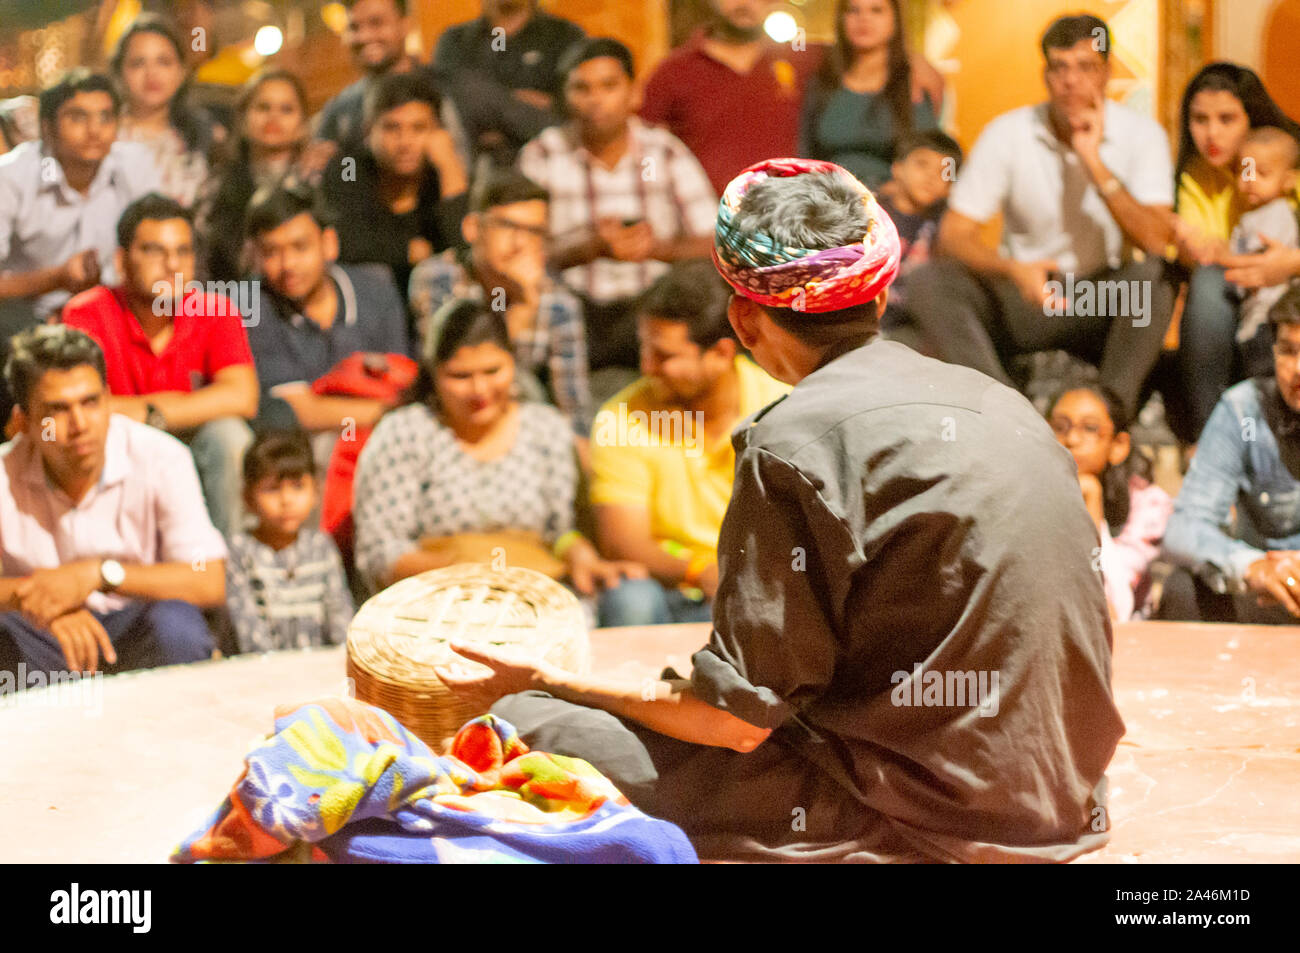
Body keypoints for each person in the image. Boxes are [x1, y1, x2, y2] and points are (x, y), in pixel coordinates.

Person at [438, 158, 1124, 863]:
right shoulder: (1002, 402)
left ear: (742, 317)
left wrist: (552, 679)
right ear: (880, 297)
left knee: (527, 721)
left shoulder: (791, 441)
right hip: (1065, 796)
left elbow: (732, 722)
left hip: (928, 815)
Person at [897, 14, 1177, 421]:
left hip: (1095, 297)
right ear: (1046, 75)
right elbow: (953, 235)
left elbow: (1156, 239)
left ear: (1107, 73)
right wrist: (1012, 267)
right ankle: (1004, 412)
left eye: (1085, 67)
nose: (1071, 80)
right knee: (930, 280)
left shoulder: (1141, 135)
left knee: (1158, 277)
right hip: (1027, 297)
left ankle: (1107, 415)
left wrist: (1093, 161)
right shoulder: (1008, 133)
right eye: (1060, 67)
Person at [352, 299, 640, 602]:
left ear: (514, 364)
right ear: (434, 374)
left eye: (492, 371)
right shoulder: (404, 434)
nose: (479, 391)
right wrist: (475, 576)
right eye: (460, 376)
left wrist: (580, 556)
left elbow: (560, 533)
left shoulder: (546, 429)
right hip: (439, 601)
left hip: (536, 597)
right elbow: (380, 550)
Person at [0, 326, 225, 692]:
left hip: (132, 626)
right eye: (57, 410)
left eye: (91, 402)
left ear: (109, 399)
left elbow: (209, 578)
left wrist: (99, 574)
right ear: (23, 421)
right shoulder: (3, 473)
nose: (80, 425)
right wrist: (43, 601)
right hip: (44, 637)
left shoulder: (161, 457)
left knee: (177, 625)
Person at [590, 259, 787, 626]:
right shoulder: (620, 417)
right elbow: (622, 541)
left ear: (721, 354)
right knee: (629, 598)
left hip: (757, 580)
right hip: (665, 584)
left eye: (664, 356)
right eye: (644, 350)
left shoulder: (781, 407)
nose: (647, 367)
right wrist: (700, 570)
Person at [519, 38, 717, 381]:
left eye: (609, 86)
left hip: (653, 303)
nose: (596, 100)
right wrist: (590, 247)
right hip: (571, 306)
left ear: (633, 93)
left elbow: (715, 241)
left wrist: (656, 249)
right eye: (582, 88)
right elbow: (519, 251)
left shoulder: (663, 153)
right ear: (565, 97)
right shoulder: (543, 156)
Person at [60, 194, 258, 535]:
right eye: (154, 251)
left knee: (229, 436)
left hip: (195, 445)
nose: (172, 264)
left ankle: (229, 571)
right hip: (118, 449)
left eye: (183, 251)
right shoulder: (87, 313)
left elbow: (242, 397)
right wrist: (183, 408)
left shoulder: (215, 308)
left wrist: (152, 414)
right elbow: (84, 409)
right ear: (121, 261)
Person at [1169, 63, 1300, 442]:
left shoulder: (1289, 164)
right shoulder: (1196, 173)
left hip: (1288, 288)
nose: (1212, 133)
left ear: (1252, 118)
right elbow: (1204, 253)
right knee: (1210, 280)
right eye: (1199, 119)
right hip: (1237, 297)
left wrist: (1289, 263)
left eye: (1227, 119)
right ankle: (1209, 436)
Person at [408, 166, 591, 435]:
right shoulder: (439, 278)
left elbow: (573, 410)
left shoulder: (558, 303)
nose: (520, 244)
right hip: (445, 428)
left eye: (534, 232)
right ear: (472, 228)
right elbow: (444, 381)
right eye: (508, 226)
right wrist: (521, 310)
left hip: (525, 438)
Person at [1159, 283, 1300, 624]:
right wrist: (1252, 566)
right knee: (1181, 591)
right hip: (1275, 589)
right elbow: (1185, 527)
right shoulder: (1244, 409)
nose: (1298, 370)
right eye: (1288, 350)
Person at [245, 182, 411, 448]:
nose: (287, 265)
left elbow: (401, 381)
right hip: (301, 447)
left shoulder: (377, 290)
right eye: (271, 252)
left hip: (385, 440)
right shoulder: (251, 306)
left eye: (300, 247)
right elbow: (300, 410)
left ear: (329, 244)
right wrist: (391, 416)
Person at [0, 70, 157, 328]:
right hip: (27, 314)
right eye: (78, 117)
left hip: (111, 311)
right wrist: (56, 278)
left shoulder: (134, 165)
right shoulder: (10, 177)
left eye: (105, 117)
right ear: (47, 128)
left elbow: (159, 245)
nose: (95, 130)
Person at [639, 0, 825, 197]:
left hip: (788, 213)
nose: (745, 3)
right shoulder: (675, 70)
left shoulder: (801, 59)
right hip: (706, 216)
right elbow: (642, 146)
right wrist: (652, 201)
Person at [320, 72, 469, 301]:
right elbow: (343, 242)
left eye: (419, 128)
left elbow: (465, 250)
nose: (405, 142)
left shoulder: (443, 176)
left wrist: (449, 166)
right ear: (369, 130)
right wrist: (408, 251)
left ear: (438, 132)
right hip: (364, 304)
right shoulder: (348, 167)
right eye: (391, 128)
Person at [1047, 384, 1172, 622]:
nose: (1071, 439)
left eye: (1090, 428)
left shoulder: (1149, 507)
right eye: (1060, 427)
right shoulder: (1028, 496)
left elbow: (1111, 613)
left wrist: (1091, 501)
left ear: (1119, 446)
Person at [302, 0, 467, 177]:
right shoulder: (341, 110)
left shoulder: (449, 89)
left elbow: (469, 167)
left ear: (405, 25)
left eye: (376, 23)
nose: (364, 37)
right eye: (354, 27)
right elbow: (319, 179)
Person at [225, 429, 354, 653]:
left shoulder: (321, 547)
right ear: (248, 497)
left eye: (297, 487)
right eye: (272, 489)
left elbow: (340, 619)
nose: (287, 500)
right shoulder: (239, 551)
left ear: (315, 490)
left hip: (320, 673)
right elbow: (248, 631)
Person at [800, 0, 940, 191]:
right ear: (841, 19)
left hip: (891, 207)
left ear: (895, 20)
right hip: (825, 201)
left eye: (876, 10)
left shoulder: (915, 82)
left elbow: (928, 158)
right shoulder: (822, 79)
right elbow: (805, 150)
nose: (863, 19)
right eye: (853, 10)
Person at [431, 0, 585, 164]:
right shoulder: (456, 41)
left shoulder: (566, 37)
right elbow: (452, 109)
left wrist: (489, 105)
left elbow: (577, 111)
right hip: (475, 162)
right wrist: (529, 108)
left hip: (554, 162)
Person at [197, 69, 310, 284]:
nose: (273, 117)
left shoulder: (314, 181)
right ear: (243, 117)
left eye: (286, 109)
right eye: (263, 107)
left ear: (302, 123)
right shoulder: (217, 183)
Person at [109, 13, 222, 208]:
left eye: (164, 62)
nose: (152, 73)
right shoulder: (102, 136)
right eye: (138, 63)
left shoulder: (203, 137)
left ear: (181, 72)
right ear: (119, 73)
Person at [874, 129, 961, 320]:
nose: (931, 177)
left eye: (943, 172)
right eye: (922, 165)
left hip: (912, 321)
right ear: (897, 168)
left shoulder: (945, 224)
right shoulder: (871, 212)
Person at [1227, 127, 1300, 348]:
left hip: (1270, 314)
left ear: (1288, 180)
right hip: (1254, 313)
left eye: (1263, 173)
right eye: (1245, 170)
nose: (1250, 180)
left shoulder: (1279, 212)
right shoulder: (1250, 217)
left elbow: (1257, 258)